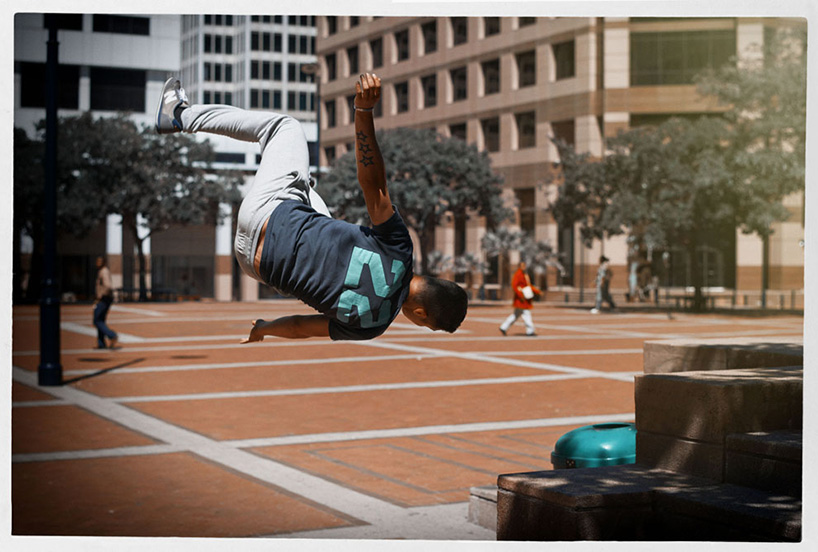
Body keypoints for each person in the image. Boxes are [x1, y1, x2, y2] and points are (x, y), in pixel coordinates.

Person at [156, 73, 468, 341]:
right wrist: (263, 329)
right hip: (252, 264)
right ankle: (304, 187)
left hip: (269, 215)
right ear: (421, 313)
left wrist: (362, 110)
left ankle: (180, 115)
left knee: (284, 127)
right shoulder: (371, 328)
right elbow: (298, 327)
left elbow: (374, 184)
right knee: (319, 211)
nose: (422, 325)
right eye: (429, 326)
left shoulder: (400, 248)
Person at [499, 261, 541, 336]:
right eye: (522, 266)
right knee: (527, 314)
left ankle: (504, 327)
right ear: (519, 266)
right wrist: (521, 295)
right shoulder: (518, 274)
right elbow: (514, 286)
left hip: (524, 299)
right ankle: (530, 331)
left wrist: (537, 291)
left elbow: (528, 285)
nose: (524, 267)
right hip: (521, 300)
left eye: (524, 265)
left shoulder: (525, 274)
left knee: (515, 315)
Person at [93, 256, 118, 349]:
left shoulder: (104, 271)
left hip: (104, 299)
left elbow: (108, 286)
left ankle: (111, 335)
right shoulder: (102, 271)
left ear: (103, 262)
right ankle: (101, 343)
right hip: (104, 299)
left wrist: (100, 296)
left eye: (99, 261)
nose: (97, 262)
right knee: (100, 320)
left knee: (97, 320)